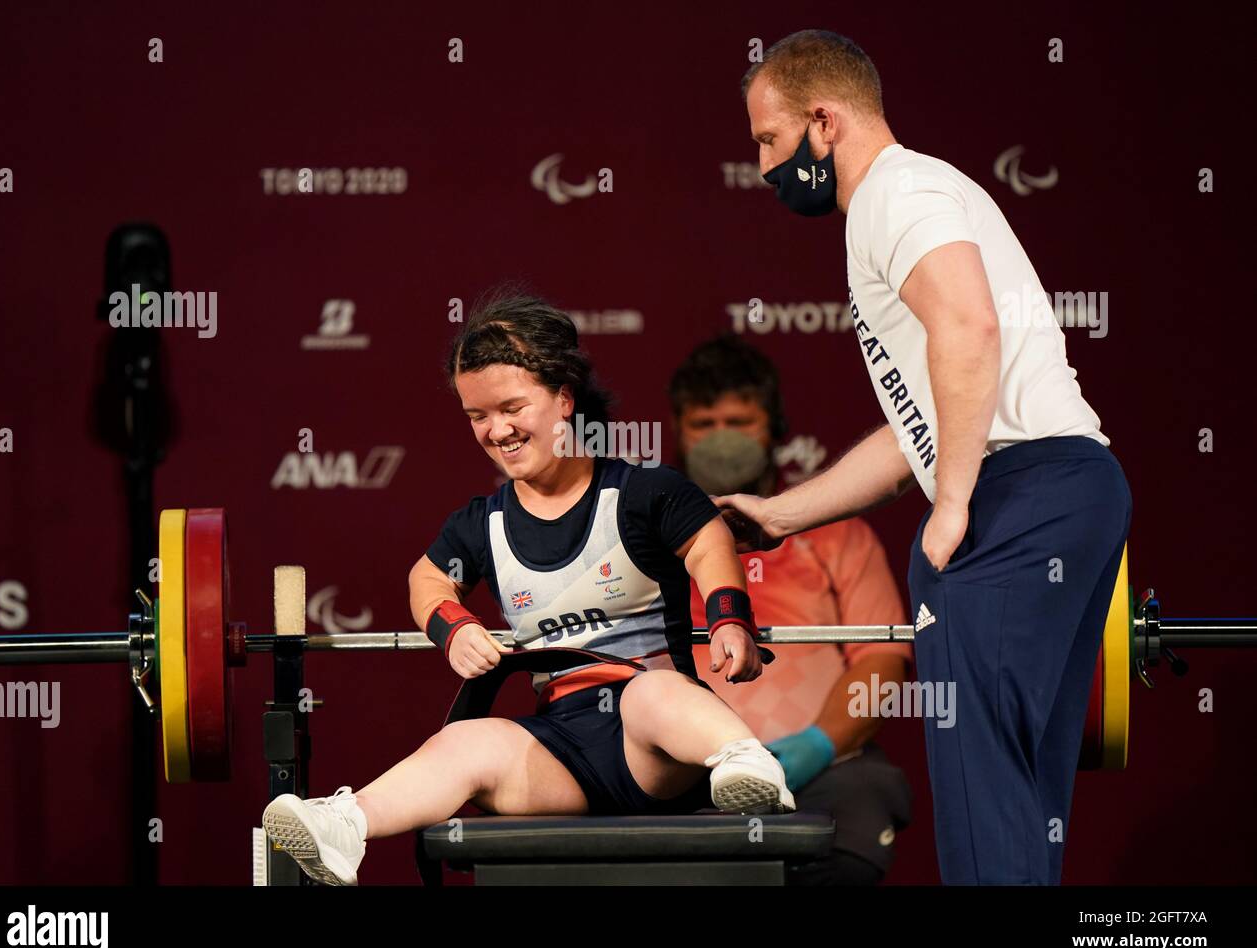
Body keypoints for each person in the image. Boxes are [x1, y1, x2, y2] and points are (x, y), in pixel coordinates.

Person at [721, 30, 1132, 885]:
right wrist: (781, 514)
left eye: (768, 138)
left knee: (986, 793)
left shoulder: (892, 193)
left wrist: (953, 507)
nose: (761, 167)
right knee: (1020, 793)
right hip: (1064, 485)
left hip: (1017, 493)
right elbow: (924, 426)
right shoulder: (914, 191)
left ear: (823, 122)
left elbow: (968, 327)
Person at [261, 290, 795, 886]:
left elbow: (707, 542)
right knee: (467, 741)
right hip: (563, 749)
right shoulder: (481, 522)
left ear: (564, 398)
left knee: (650, 694)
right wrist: (452, 626)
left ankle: (745, 762)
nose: (498, 430)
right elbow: (428, 577)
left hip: (658, 748)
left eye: (513, 407)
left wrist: (727, 617)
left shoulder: (645, 493)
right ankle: (347, 825)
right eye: (477, 416)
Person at [670, 334, 913, 884]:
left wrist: (816, 745)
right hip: (680, 779)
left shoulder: (837, 534)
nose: (721, 439)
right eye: (704, 424)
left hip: (825, 775)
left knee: (864, 795)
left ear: (775, 430)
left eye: (739, 421)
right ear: (679, 433)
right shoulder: (642, 546)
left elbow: (883, 662)